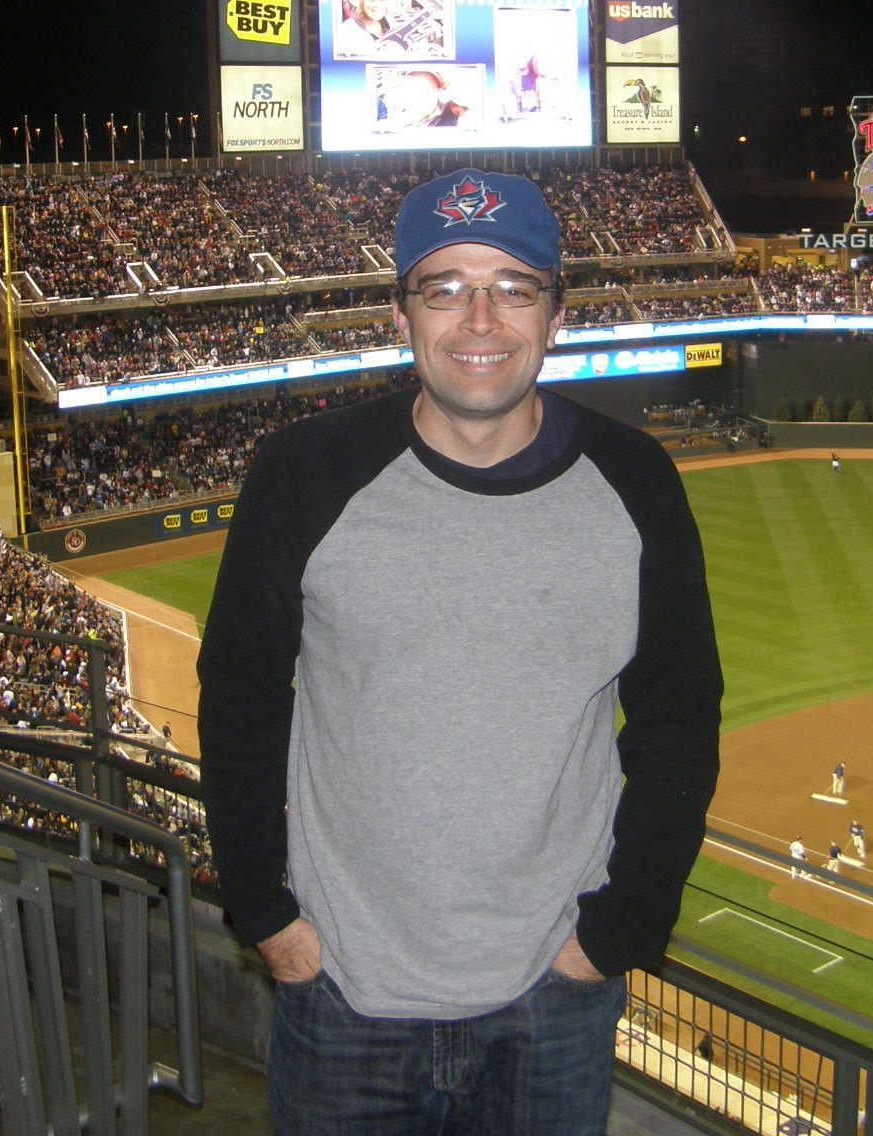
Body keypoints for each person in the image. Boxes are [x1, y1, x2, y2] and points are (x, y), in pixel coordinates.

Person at [198, 167, 723, 1135]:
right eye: (443, 287)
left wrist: (612, 936)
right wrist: (264, 917)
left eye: (512, 287)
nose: (477, 320)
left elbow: (678, 724)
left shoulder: (635, 483)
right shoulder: (302, 474)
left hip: (552, 999)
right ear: (401, 310)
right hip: (340, 995)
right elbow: (237, 699)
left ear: (554, 312)